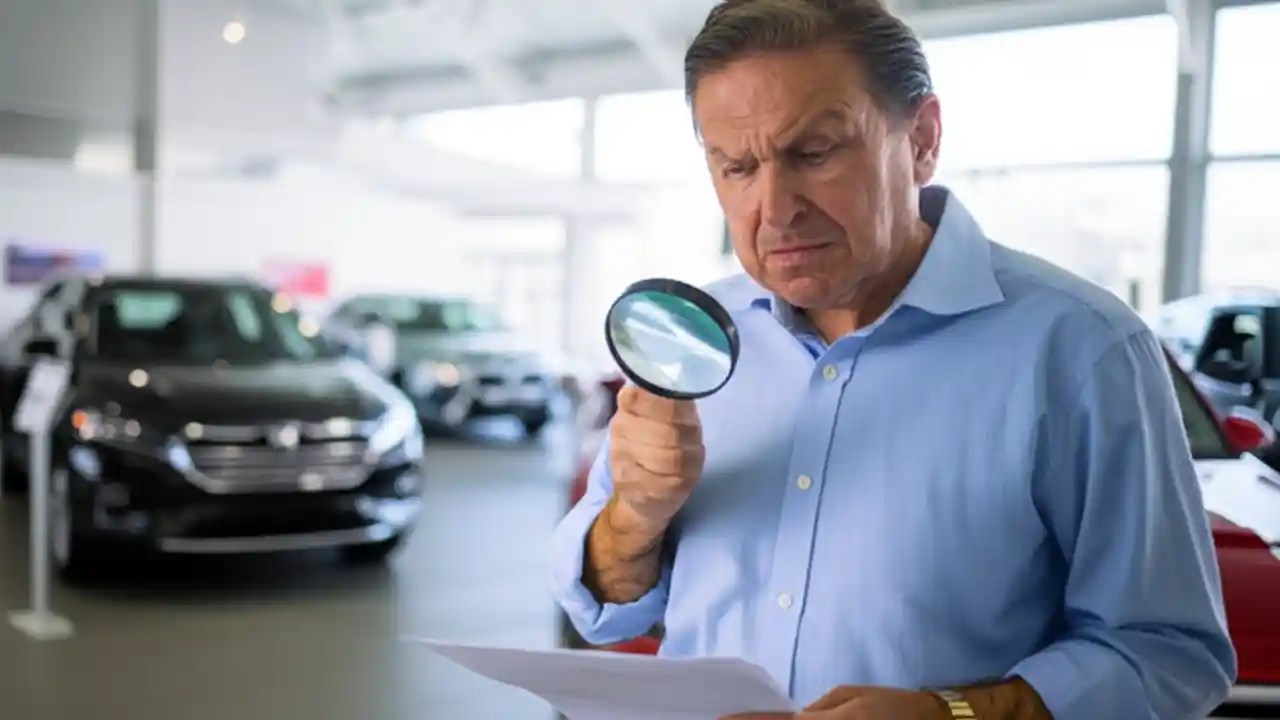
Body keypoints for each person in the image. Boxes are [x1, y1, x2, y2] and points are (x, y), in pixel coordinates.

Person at [550, 1, 1236, 718]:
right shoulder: (691, 340)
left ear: (922, 139)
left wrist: (952, 715)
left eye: (814, 154)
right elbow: (606, 608)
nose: (775, 208)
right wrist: (634, 519)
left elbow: (1168, 652)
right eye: (737, 167)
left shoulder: (1081, 350)